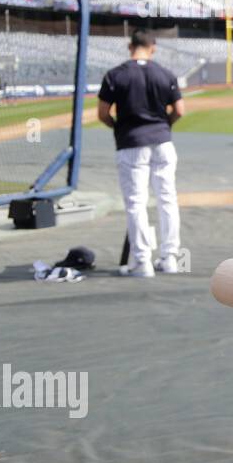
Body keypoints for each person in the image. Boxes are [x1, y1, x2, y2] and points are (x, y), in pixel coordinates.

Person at [97, 28, 185, 277]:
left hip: (131, 143)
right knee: (167, 199)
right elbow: (179, 110)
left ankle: (142, 262)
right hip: (163, 143)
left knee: (136, 203)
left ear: (130, 46)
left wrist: (119, 128)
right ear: (153, 47)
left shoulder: (115, 75)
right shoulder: (165, 74)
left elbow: (103, 114)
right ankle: (170, 259)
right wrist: (164, 127)